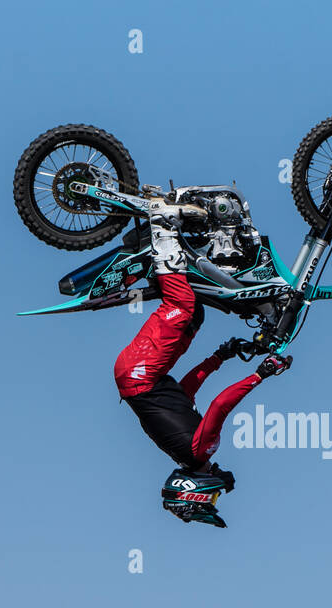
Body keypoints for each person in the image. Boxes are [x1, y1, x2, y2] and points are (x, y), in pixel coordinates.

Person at [113, 195, 292, 527]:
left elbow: (221, 405)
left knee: (180, 307)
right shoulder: (184, 448)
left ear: (193, 492)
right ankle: (177, 257)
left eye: (211, 497)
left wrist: (261, 374)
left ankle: (163, 229)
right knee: (195, 315)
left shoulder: (201, 451)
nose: (216, 492)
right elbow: (184, 393)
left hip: (140, 373)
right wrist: (218, 357)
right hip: (143, 377)